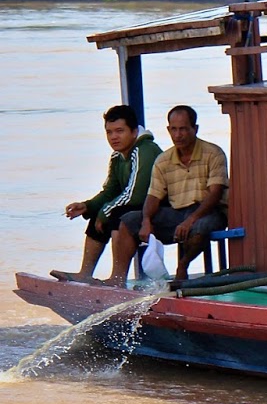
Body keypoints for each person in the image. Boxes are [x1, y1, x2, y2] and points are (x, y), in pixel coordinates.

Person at [115, 105, 229, 283]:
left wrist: (190, 220)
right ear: (168, 130)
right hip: (177, 213)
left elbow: (215, 193)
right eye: (174, 129)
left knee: (200, 227)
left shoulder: (213, 153)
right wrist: (146, 220)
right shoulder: (163, 160)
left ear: (195, 129)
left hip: (208, 211)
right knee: (129, 220)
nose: (178, 135)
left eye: (183, 129)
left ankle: (182, 266)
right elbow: (153, 196)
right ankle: (118, 279)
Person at [53, 105, 161, 284]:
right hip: (137, 205)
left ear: (134, 131)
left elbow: (136, 194)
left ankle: (117, 278)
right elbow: (111, 191)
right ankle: (84, 274)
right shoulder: (117, 156)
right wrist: (88, 206)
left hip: (156, 207)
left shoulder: (145, 150)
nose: (114, 137)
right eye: (109, 132)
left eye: (120, 131)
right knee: (100, 212)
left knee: (117, 215)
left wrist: (105, 211)